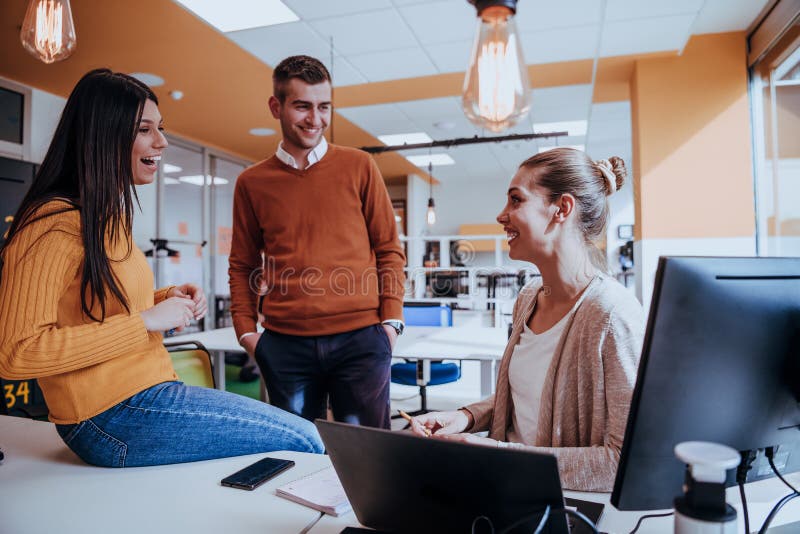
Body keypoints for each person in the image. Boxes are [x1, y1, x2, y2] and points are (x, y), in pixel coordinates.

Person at [0, 69, 323, 468]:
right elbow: (17, 353)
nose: (162, 141)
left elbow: (100, 307)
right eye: (145, 130)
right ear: (104, 136)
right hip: (109, 416)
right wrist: (147, 321)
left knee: (302, 433)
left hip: (144, 393)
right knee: (305, 436)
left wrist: (166, 301)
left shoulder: (104, 220)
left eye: (161, 128)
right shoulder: (51, 226)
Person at [410, 148, 645, 492]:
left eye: (516, 200)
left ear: (562, 209)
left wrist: (505, 456)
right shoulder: (528, 297)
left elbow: (625, 460)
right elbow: (524, 397)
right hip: (506, 489)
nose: (501, 215)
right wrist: (466, 417)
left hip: (558, 503)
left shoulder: (613, 313)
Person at [229, 55, 405, 430]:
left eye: (324, 107)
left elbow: (389, 248)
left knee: (371, 458)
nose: (315, 119)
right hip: (285, 346)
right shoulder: (252, 182)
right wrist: (246, 330)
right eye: (302, 106)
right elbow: (244, 263)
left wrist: (391, 322)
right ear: (276, 107)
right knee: (297, 454)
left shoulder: (359, 166)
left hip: (362, 341)